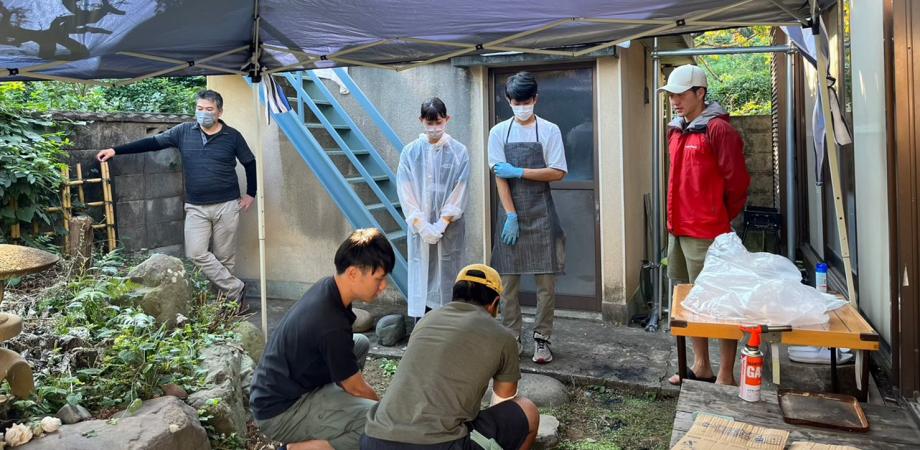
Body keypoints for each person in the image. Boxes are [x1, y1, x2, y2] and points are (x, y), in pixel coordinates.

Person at [96, 89, 255, 302]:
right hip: (196, 206)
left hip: (226, 204)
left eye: (209, 109)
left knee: (225, 257)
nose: (203, 113)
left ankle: (226, 303)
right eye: (199, 109)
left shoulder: (232, 136)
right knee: (196, 253)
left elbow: (249, 162)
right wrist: (116, 150)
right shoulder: (183, 131)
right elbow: (153, 142)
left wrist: (250, 194)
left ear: (219, 112)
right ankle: (236, 287)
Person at [362, 264, 540, 450]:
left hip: (374, 439)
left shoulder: (425, 321)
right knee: (527, 409)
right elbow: (504, 398)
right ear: (495, 303)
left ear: (454, 296)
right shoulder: (503, 337)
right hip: (439, 444)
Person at [250, 229, 395, 450]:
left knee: (360, 344)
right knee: (376, 424)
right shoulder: (329, 322)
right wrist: (386, 412)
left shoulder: (328, 287)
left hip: (283, 385)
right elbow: (356, 387)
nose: (384, 286)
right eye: (380, 278)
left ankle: (331, 413)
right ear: (354, 274)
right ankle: (296, 447)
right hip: (280, 410)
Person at [659, 65, 751, 386]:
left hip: (710, 233)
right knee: (687, 301)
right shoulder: (676, 130)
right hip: (679, 229)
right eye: (671, 95)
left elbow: (737, 183)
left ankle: (726, 373)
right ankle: (701, 366)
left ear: (700, 93)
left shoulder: (719, 130)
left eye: (681, 95)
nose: (674, 101)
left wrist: (720, 220)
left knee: (720, 302)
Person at [488, 71, 567, 364]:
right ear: (509, 100)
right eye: (516, 101)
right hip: (511, 213)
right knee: (507, 282)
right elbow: (499, 177)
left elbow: (557, 171)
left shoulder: (549, 130)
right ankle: (512, 336)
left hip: (541, 213)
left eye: (526, 100)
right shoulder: (498, 133)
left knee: (546, 282)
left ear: (535, 99)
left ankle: (542, 339)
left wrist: (520, 171)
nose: (521, 105)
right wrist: (510, 215)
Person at [397, 97, 470, 318]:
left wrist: (442, 222)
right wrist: (421, 224)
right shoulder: (410, 152)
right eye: (430, 124)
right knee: (422, 274)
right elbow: (405, 189)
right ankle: (421, 326)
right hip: (420, 229)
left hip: (449, 229)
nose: (435, 128)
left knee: (448, 274)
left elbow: (461, 188)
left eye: (439, 122)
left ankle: (449, 325)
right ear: (421, 121)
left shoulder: (459, 152)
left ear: (447, 119)